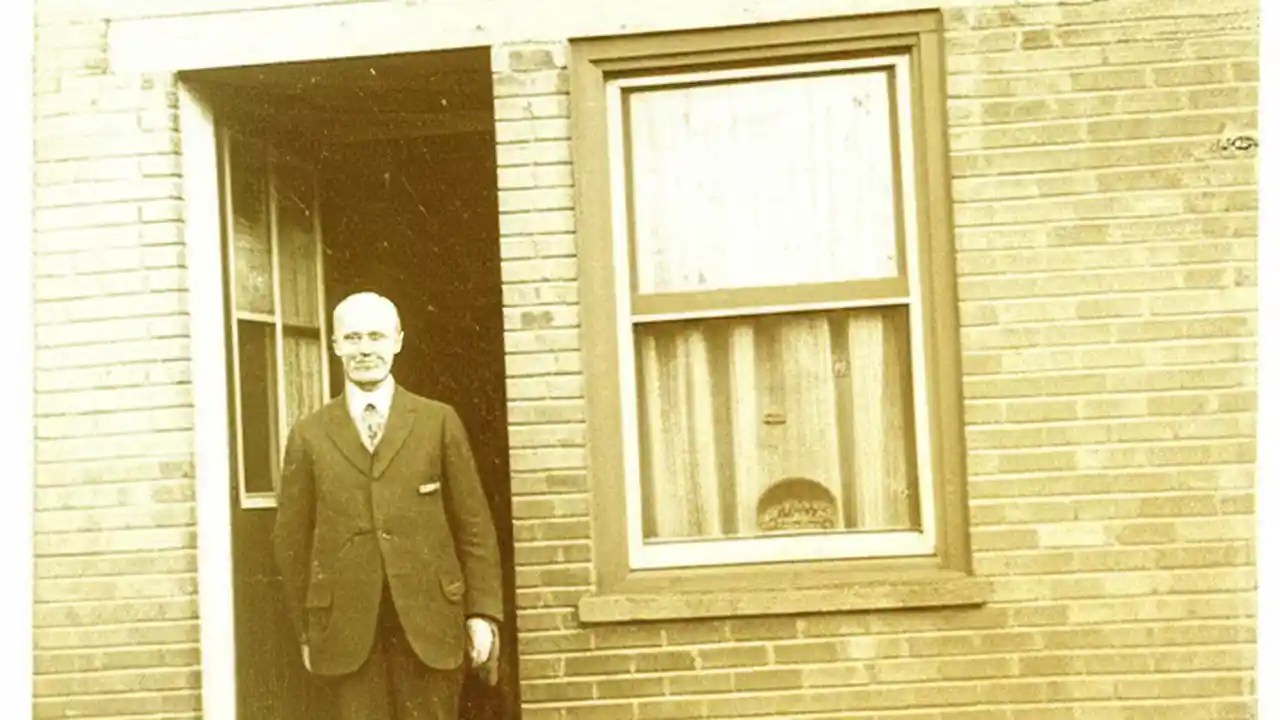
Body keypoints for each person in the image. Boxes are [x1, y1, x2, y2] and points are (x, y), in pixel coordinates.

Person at [272, 291, 503, 719]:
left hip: (431, 625)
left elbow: (474, 526)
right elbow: (291, 540)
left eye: (376, 336)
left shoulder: (437, 421)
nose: (365, 349)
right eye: (353, 337)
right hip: (346, 632)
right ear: (336, 345)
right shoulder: (309, 435)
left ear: (398, 341)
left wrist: (481, 613)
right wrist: (307, 630)